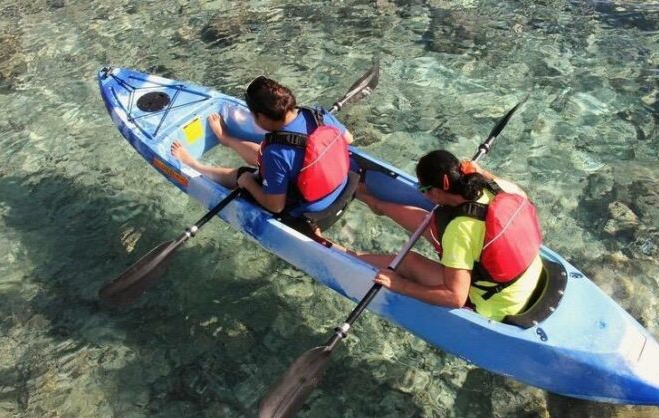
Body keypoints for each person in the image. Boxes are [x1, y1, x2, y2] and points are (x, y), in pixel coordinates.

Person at [356, 149, 544, 322]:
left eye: (423, 190)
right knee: (430, 223)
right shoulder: (500, 187)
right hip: (533, 275)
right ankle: (375, 203)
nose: (423, 195)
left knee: (409, 262)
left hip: (498, 306)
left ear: (436, 192)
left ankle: (342, 252)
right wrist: (482, 172)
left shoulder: (459, 230)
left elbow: (455, 297)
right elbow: (519, 196)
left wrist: (400, 285)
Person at [171, 76, 355, 234]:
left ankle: (194, 165)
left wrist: (247, 182)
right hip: (343, 188)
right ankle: (226, 138)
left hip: (311, 213)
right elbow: (348, 138)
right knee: (272, 154)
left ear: (262, 117)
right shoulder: (317, 115)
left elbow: (275, 206)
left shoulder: (276, 153)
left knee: (244, 174)